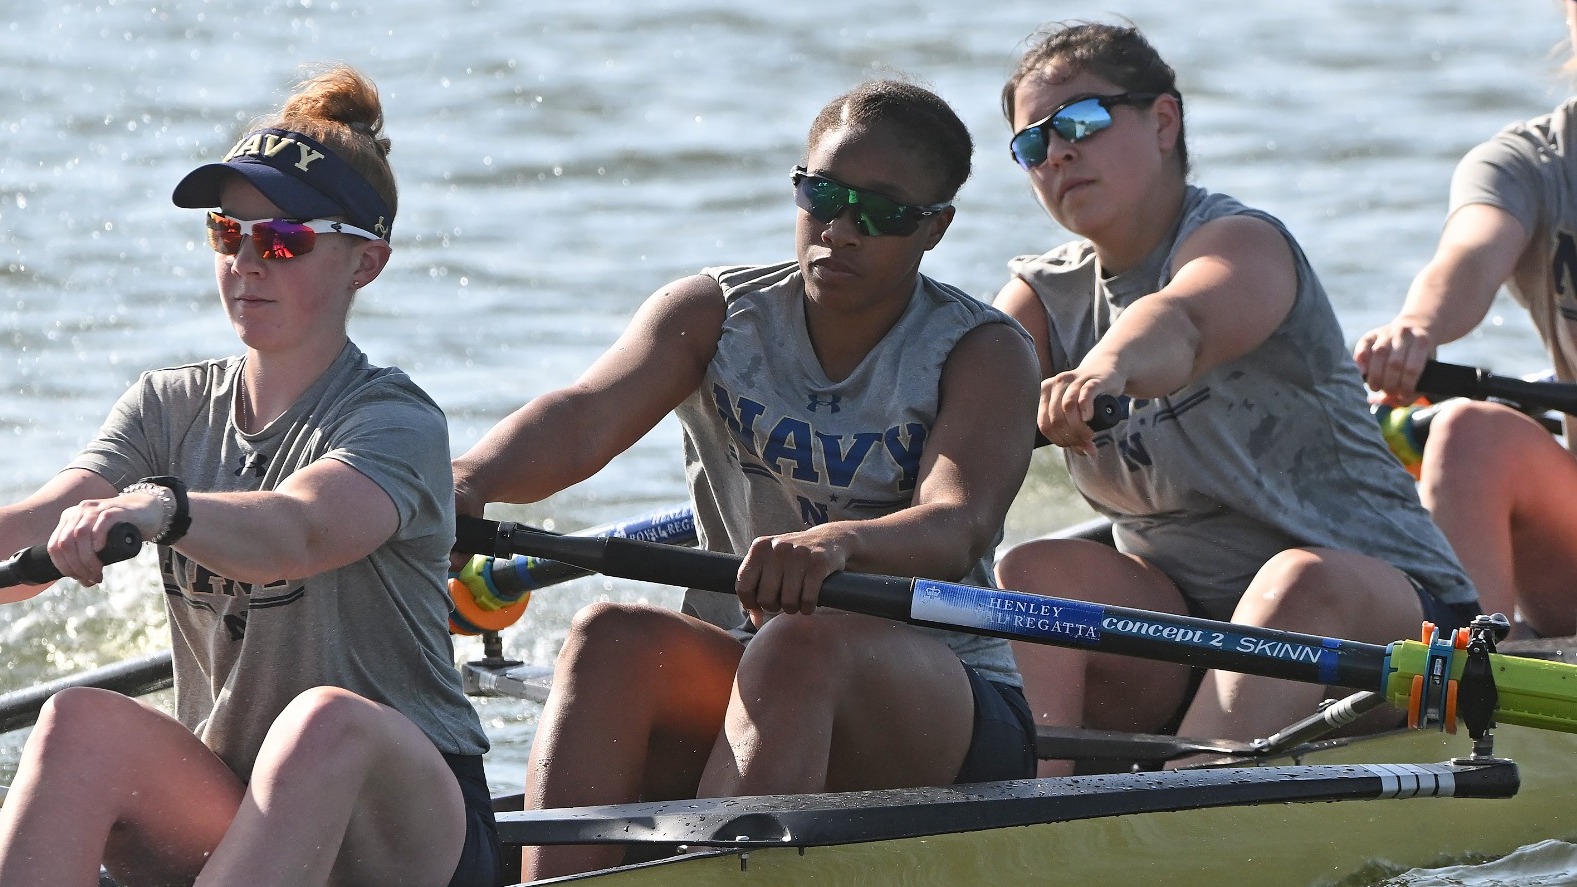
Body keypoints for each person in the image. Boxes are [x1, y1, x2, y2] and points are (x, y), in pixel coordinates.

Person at [451, 78, 1041, 879]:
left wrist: (836, 545)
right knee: (607, 634)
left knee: (798, 642)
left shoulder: (982, 351)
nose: (839, 230)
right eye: (822, 195)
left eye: (882, 212)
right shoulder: (715, 312)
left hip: (945, 698)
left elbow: (956, 522)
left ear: (933, 229)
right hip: (747, 662)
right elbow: (583, 416)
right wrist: (465, 480)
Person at [0, 66, 501, 886]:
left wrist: (162, 506)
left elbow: (298, 532)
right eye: (227, 233)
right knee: (74, 723)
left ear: (365, 263)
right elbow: (36, 524)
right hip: (240, 811)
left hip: (408, 828)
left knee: (322, 723)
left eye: (285, 240)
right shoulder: (166, 406)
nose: (247, 261)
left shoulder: (397, 421)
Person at [988, 21, 1481, 776]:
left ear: (1162, 120)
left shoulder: (1240, 244)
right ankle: (1029, 809)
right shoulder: (1041, 296)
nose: (1056, 152)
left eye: (1080, 121)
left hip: (1395, 627)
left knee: (1296, 580)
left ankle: (1185, 794)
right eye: (1032, 143)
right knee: (1034, 572)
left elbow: (1180, 321)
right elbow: (949, 412)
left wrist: (1103, 372)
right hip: (1188, 633)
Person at [1353, 5, 1577, 640]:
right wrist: (1417, 328)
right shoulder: (1529, 163)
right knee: (1468, 432)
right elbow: (1469, 257)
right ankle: (1468, 689)